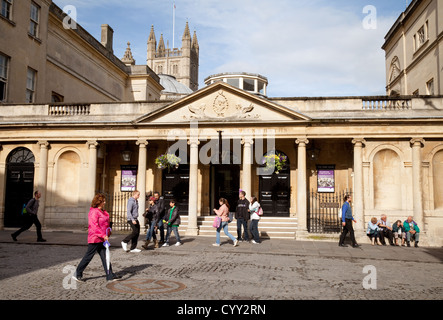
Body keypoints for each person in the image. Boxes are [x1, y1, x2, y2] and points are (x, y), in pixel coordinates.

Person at [72, 193, 120, 282]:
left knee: (106, 256)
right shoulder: (94, 212)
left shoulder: (103, 211)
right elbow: (94, 226)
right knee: (88, 257)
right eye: (103, 201)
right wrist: (103, 235)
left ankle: (109, 275)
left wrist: (108, 232)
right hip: (95, 238)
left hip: (102, 238)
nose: (105, 202)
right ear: (99, 202)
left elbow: (105, 224)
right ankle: (77, 273)